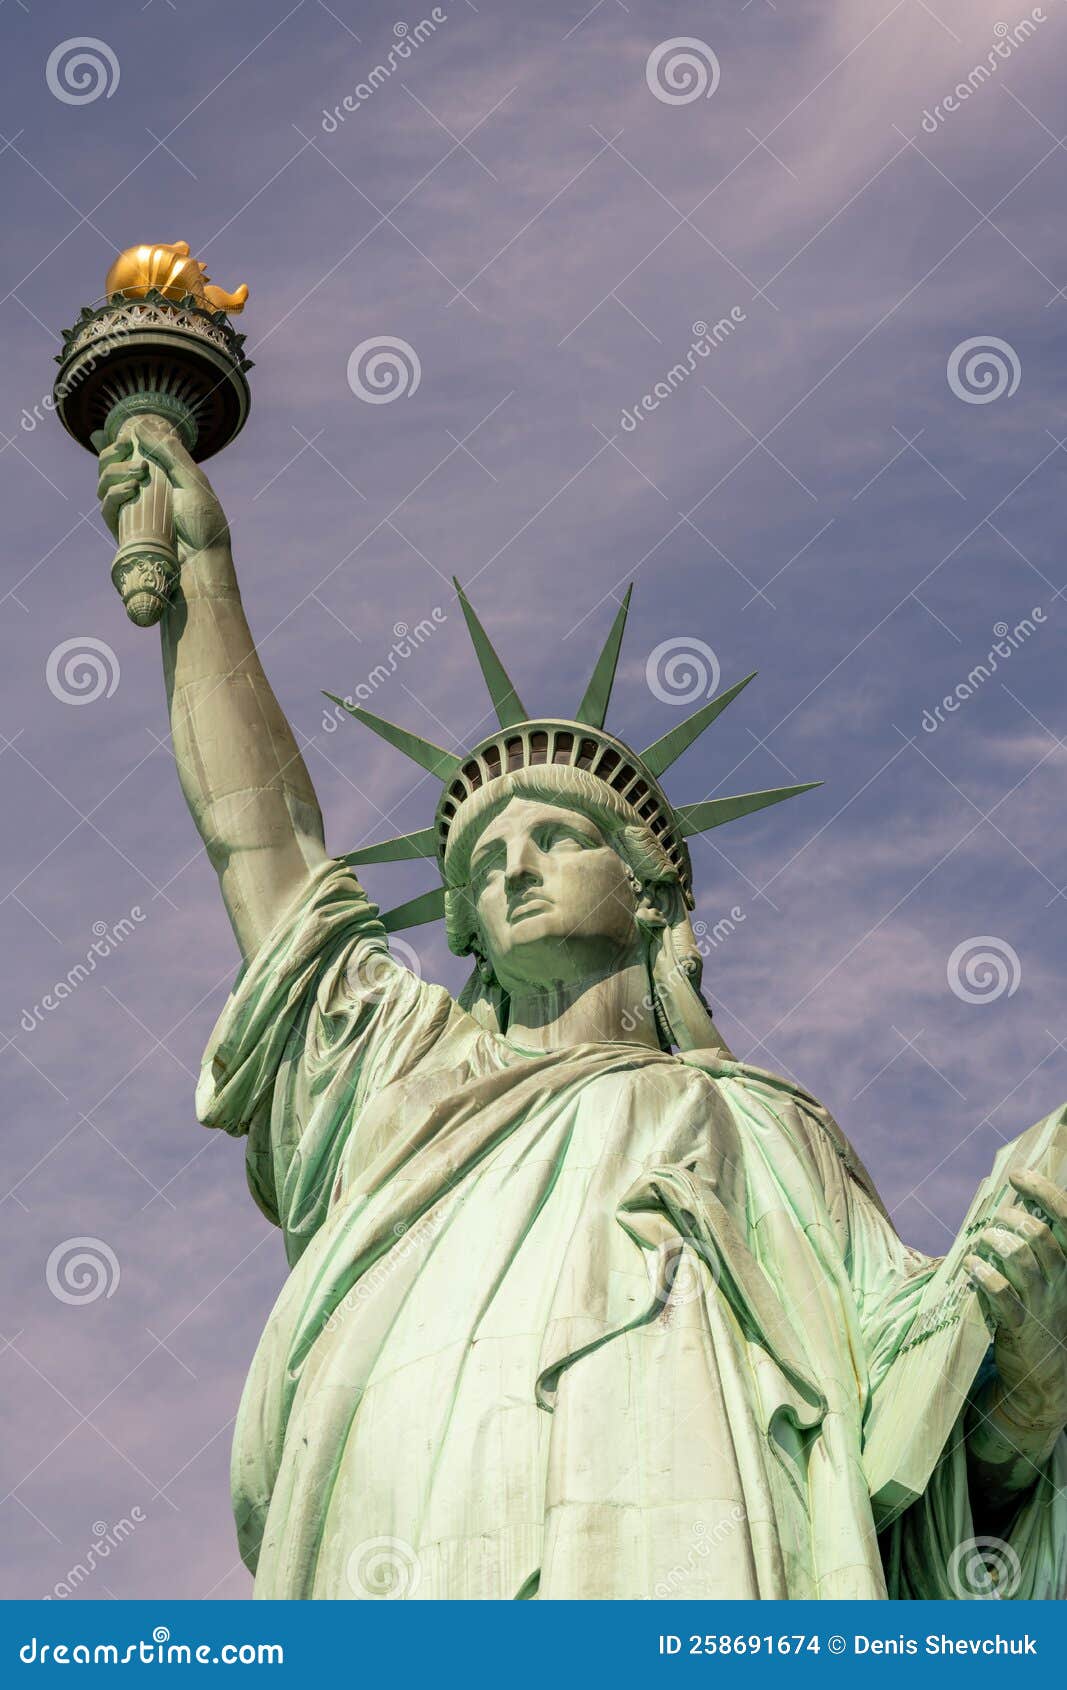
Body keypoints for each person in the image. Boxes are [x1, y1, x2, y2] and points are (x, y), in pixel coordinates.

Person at [95, 428, 1067, 1600]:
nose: (514, 865)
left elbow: (914, 1414)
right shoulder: (402, 1078)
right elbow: (263, 843)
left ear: (649, 890)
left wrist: (1025, 1298)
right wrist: (205, 576)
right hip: (403, 1538)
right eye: (484, 858)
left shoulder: (761, 1127)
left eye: (556, 835)